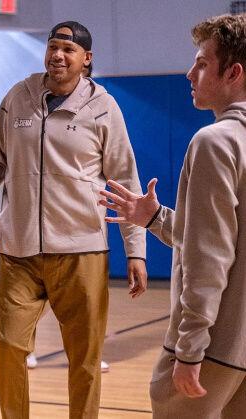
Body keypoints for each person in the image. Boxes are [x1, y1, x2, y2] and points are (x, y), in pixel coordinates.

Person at [0, 21, 148, 418]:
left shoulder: (104, 107)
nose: (58, 55)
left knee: (84, 360)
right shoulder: (18, 96)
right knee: (8, 349)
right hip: (18, 252)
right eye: (53, 47)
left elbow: (126, 183)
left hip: (80, 251)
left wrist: (135, 251)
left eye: (69, 50)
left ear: (86, 59)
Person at [99, 14, 246, 418]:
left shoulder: (215, 142)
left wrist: (190, 347)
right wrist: (156, 219)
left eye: (201, 62)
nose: (189, 72)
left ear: (233, 72)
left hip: (217, 346)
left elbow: (210, 256)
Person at [26, 60, 110, 375]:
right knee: (35, 295)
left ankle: (89, 352)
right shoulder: (35, 109)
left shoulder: (98, 107)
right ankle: (24, 349)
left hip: (81, 228)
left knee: (86, 301)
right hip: (38, 229)